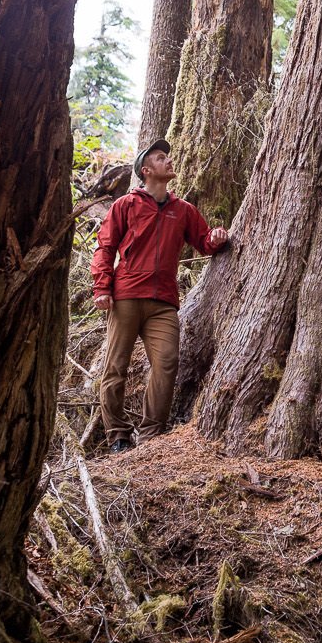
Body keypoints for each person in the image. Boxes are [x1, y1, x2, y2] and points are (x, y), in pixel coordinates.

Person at [90, 138, 231, 452]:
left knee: (167, 362)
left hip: (163, 303)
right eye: (160, 157)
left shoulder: (183, 210)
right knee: (115, 368)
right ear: (146, 170)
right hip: (125, 297)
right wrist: (102, 287)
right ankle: (119, 435)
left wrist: (217, 236)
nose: (168, 161)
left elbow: (204, 241)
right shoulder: (126, 205)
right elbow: (105, 248)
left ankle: (152, 434)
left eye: (167, 156)